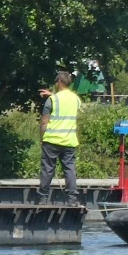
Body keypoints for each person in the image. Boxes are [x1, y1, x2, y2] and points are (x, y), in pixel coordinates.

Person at [39, 69, 82, 204]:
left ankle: (43, 198)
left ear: (59, 82)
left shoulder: (52, 99)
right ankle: (72, 199)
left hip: (51, 140)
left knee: (47, 169)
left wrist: (42, 138)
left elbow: (44, 122)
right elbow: (66, 102)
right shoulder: (75, 99)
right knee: (69, 170)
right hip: (69, 141)